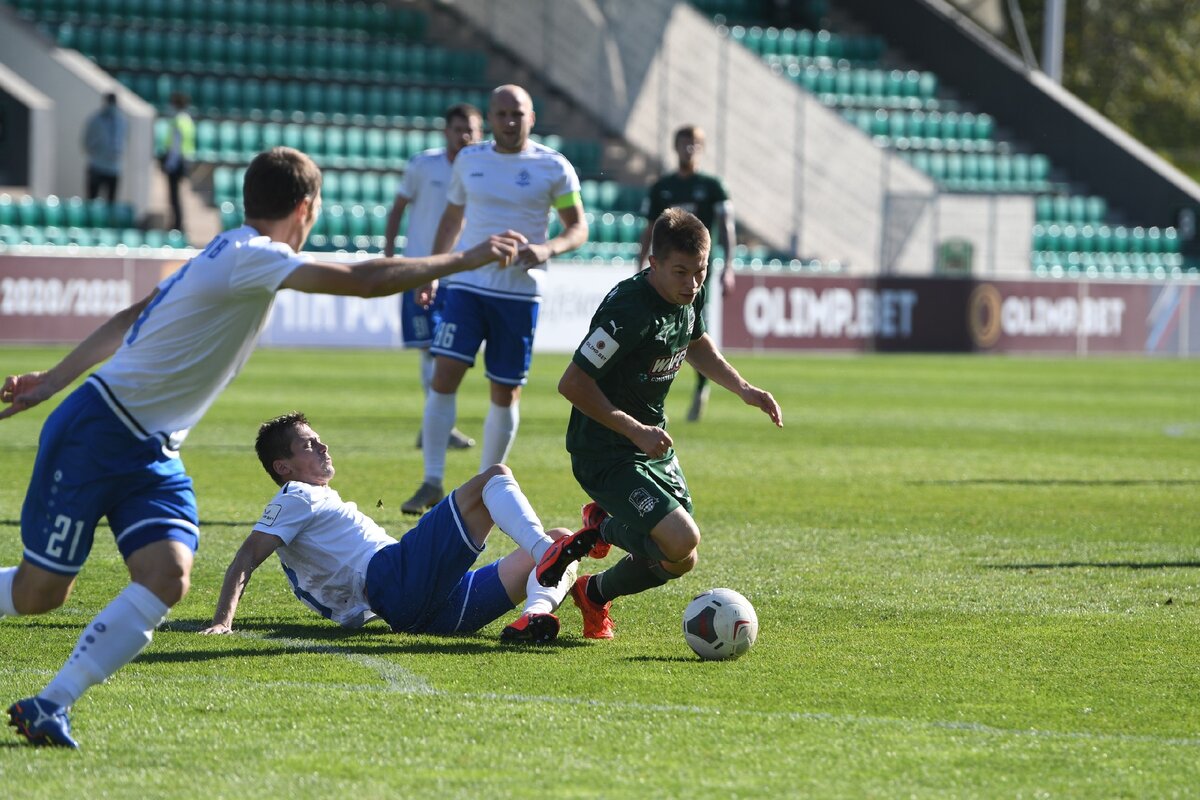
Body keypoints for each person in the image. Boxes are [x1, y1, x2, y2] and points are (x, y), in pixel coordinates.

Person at [0, 146, 524, 748]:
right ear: (305, 208)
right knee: (39, 593)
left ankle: (50, 704)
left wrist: (49, 379)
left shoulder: (223, 250)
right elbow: (366, 280)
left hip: (152, 448)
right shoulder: (252, 255)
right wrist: (465, 257)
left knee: (169, 575)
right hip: (100, 429)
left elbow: (133, 315)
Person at [536, 208, 782, 640]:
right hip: (604, 450)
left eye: (700, 272)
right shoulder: (628, 310)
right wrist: (634, 430)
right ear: (654, 263)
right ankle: (602, 526)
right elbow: (572, 383)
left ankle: (593, 593)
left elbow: (694, 340)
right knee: (681, 538)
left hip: (649, 445)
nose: (692, 284)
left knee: (680, 557)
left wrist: (743, 388)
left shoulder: (689, 294)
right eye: (681, 272)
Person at [200, 413, 577, 643]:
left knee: (562, 537)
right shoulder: (296, 495)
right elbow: (248, 554)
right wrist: (222, 622)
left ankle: (536, 612)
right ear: (284, 466)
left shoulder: (311, 500)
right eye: (309, 444)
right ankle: (547, 555)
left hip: (417, 610)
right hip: (394, 577)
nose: (323, 445)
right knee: (496, 477)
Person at [401, 84, 589, 515]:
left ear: (532, 117)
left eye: (517, 114)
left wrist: (547, 250)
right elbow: (453, 217)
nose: (509, 122)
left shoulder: (553, 167)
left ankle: (485, 488)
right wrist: (435, 268)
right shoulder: (470, 160)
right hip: (468, 286)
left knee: (504, 393)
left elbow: (577, 228)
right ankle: (431, 481)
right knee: (443, 376)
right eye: (501, 113)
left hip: (519, 295)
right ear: (490, 116)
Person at [384, 104, 483, 453]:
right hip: (420, 269)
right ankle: (439, 428)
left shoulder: (483, 169)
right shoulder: (422, 164)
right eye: (458, 129)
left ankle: (435, 428)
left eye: (470, 129)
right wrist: (390, 255)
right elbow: (398, 207)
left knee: (447, 353)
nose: (465, 136)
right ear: (446, 131)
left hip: (461, 274)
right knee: (431, 351)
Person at [636, 125, 737, 422]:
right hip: (663, 273)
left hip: (697, 273)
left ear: (701, 149)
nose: (689, 149)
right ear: (675, 146)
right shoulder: (662, 187)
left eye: (694, 144)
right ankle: (649, 393)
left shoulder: (713, 186)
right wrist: (638, 263)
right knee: (659, 332)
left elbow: (727, 228)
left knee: (693, 332)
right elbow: (649, 228)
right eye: (684, 143)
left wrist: (729, 266)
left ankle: (702, 386)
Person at [157, 92, 195, 234]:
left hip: (177, 162)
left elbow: (175, 146)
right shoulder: (188, 120)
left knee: (174, 196)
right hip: (184, 161)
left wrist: (169, 164)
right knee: (177, 195)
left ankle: (177, 224)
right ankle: (178, 222)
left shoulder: (178, 121)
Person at [82, 92, 127, 204]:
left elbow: (123, 141)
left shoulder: (121, 121)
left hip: (114, 168)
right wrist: (98, 151)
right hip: (97, 166)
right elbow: (87, 141)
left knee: (111, 205)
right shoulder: (96, 119)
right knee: (91, 202)